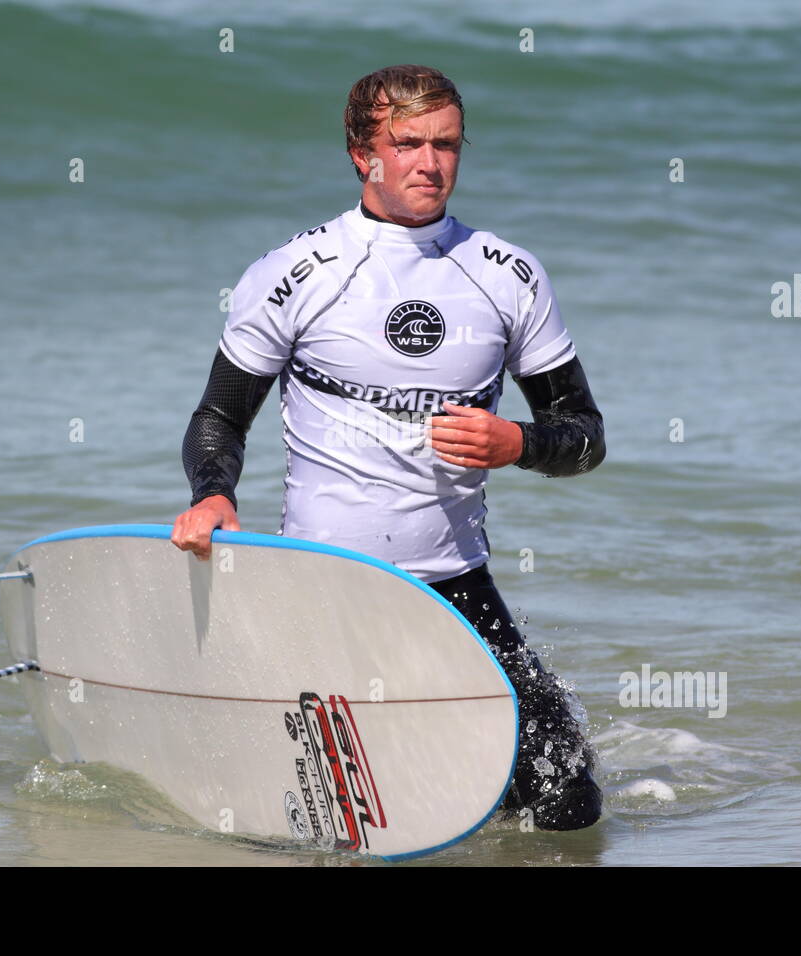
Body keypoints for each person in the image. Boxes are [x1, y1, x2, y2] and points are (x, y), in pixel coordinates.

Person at [171, 65, 606, 830]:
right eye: (407, 143)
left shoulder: (507, 275)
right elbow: (220, 415)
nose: (429, 162)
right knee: (321, 818)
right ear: (360, 154)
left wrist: (519, 442)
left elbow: (585, 435)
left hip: (453, 586)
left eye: (445, 144)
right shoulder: (296, 274)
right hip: (323, 585)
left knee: (566, 800)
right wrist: (213, 494)